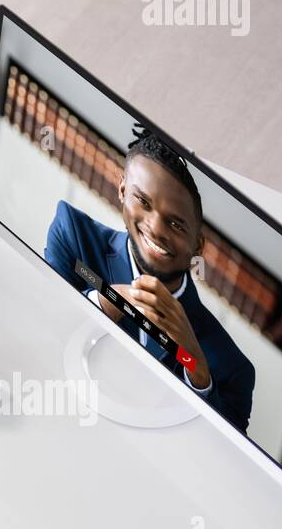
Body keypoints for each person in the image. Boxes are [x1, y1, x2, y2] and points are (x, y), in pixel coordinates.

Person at [43, 127, 256, 432]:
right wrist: (105, 300)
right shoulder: (74, 236)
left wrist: (194, 364)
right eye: (143, 201)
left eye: (176, 223)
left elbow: (225, 462)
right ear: (122, 190)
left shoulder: (233, 369)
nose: (156, 229)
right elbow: (42, 325)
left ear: (198, 245)